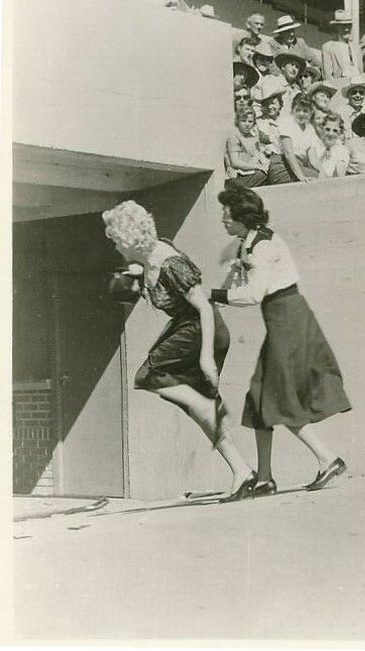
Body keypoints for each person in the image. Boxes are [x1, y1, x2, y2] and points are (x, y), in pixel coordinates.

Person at [102, 201, 257, 500]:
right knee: (202, 411)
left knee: (149, 374)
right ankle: (242, 472)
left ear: (128, 239)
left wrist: (206, 358)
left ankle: (202, 404)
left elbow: (204, 307)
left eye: (117, 242)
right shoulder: (148, 260)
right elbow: (150, 277)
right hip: (187, 328)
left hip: (201, 328)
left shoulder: (169, 263)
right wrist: (138, 275)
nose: (116, 248)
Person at [213, 188, 351, 494]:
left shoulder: (262, 246)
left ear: (242, 216)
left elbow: (253, 294)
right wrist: (216, 295)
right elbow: (238, 279)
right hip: (280, 319)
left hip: (288, 319)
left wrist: (212, 294)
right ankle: (265, 479)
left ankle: (328, 460)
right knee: (259, 397)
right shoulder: (249, 241)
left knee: (279, 398)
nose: (223, 218)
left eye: (227, 212)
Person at [278, 94, 321, 182]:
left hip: (298, 166)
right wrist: (301, 177)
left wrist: (322, 171)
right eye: (298, 110)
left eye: (305, 111)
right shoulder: (286, 122)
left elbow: (313, 158)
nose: (301, 114)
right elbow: (288, 153)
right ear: (292, 110)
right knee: (314, 181)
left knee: (321, 177)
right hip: (283, 165)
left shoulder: (310, 129)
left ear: (310, 112)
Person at [225, 105, 269, 189]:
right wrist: (258, 167)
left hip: (250, 174)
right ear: (237, 121)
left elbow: (259, 157)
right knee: (262, 174)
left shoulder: (253, 138)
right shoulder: (234, 138)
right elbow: (235, 162)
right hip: (236, 177)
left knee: (270, 172)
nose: (247, 124)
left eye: (250, 121)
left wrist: (266, 165)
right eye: (243, 121)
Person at [321, 10, 361, 81]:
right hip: (340, 85)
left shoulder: (356, 47)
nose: (346, 29)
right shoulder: (328, 48)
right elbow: (328, 77)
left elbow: (361, 72)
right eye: (343, 26)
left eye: (349, 25)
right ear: (336, 27)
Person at [312, 111, 349, 179]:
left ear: (340, 132)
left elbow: (340, 174)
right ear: (322, 128)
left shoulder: (342, 150)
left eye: (335, 131)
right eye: (327, 129)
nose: (331, 134)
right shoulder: (314, 145)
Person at [333, 76, 365, 141]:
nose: (358, 95)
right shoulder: (339, 113)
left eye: (361, 93)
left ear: (364, 96)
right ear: (348, 95)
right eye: (354, 92)